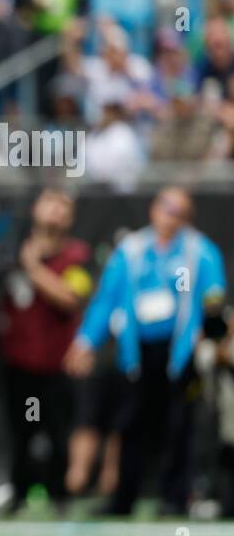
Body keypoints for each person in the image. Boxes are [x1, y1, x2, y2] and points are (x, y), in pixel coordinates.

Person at [66, 186, 227, 515]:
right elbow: (105, 300)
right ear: (154, 209)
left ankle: (175, 497)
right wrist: (85, 342)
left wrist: (210, 337)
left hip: (182, 352)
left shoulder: (200, 252)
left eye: (179, 212)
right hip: (137, 351)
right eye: (167, 207)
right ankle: (123, 498)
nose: (171, 217)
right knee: (130, 424)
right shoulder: (131, 250)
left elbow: (214, 298)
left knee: (180, 424)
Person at [0, 189, 92, 513]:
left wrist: (34, 268)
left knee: (57, 432)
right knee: (20, 432)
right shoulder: (10, 252)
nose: (55, 212)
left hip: (57, 361)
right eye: (50, 203)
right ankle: (18, 495)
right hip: (18, 360)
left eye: (63, 206)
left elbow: (70, 296)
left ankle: (60, 496)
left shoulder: (77, 255)